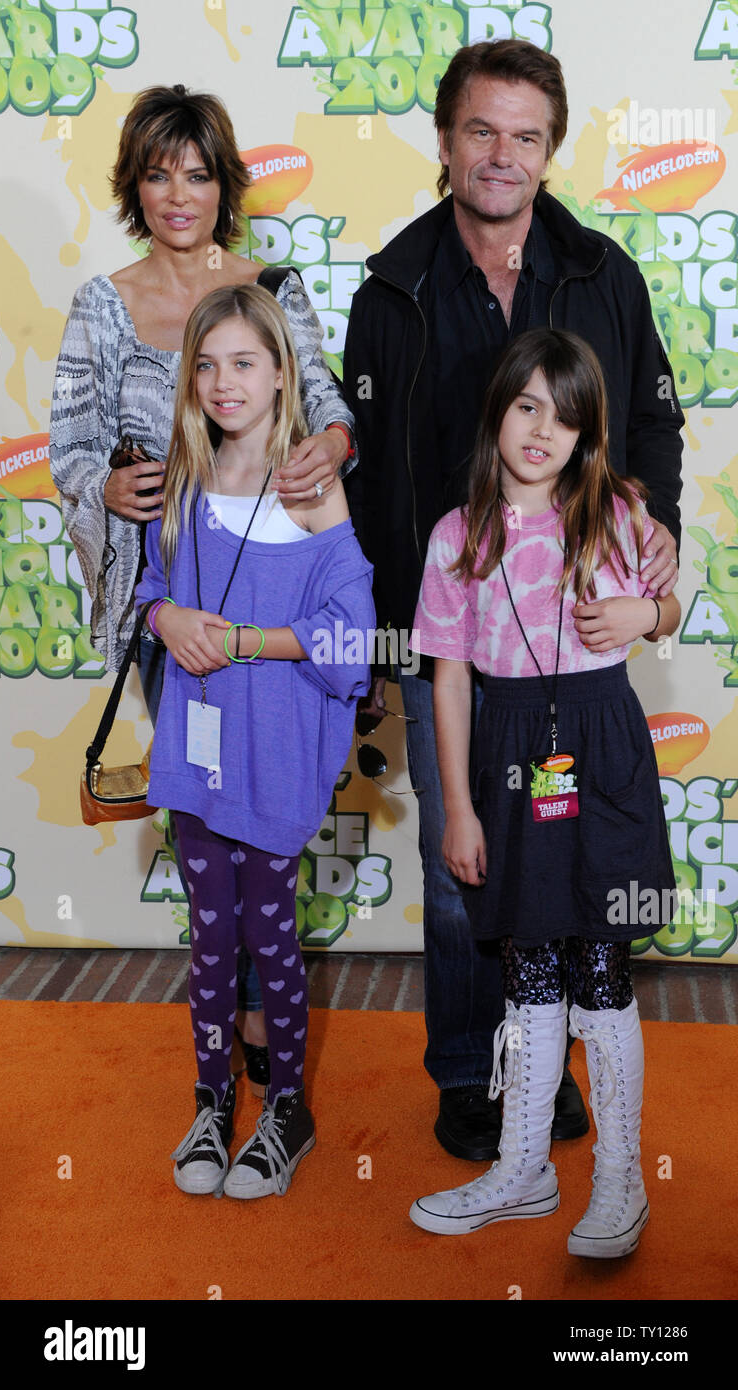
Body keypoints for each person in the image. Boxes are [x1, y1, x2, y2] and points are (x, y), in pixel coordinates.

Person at [343, 39, 683, 1161]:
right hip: (450, 645)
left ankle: (540, 1068)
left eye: (525, 135)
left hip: (573, 646)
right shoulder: (391, 288)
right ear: (444, 143)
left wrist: (654, 562)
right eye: (480, 130)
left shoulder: (603, 276)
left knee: (564, 870)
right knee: (462, 868)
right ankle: (465, 1072)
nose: (501, 154)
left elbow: (652, 428)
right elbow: (363, 464)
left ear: (551, 150)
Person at [50, 84, 357, 1084]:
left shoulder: (272, 281)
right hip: (165, 606)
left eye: (198, 171)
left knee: (269, 809)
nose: (178, 192)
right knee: (210, 817)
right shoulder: (105, 302)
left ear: (223, 184)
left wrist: (336, 443)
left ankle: (268, 1035)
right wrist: (109, 482)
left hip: (274, 597)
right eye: (158, 171)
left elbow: (325, 400)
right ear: (135, 183)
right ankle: (229, 1035)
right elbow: (69, 449)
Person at [407, 328, 679, 1256]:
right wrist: (460, 807)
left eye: (565, 419)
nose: (542, 431)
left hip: (603, 749)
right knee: (527, 971)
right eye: (527, 406)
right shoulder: (457, 536)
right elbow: (446, 678)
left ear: (588, 435)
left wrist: (650, 612)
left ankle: (620, 1182)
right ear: (499, 411)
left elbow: (674, 606)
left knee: (601, 969)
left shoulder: (619, 511)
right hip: (509, 756)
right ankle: (523, 1169)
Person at [134, 283, 374, 1198]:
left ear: (283, 373)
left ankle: (286, 1109)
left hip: (274, 759)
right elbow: (150, 593)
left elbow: (350, 638)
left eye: (244, 363)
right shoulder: (187, 485)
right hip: (198, 759)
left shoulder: (312, 494)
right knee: (209, 937)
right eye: (206, 365)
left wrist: (240, 640)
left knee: (272, 938)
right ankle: (209, 1099)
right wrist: (167, 619)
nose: (224, 382)